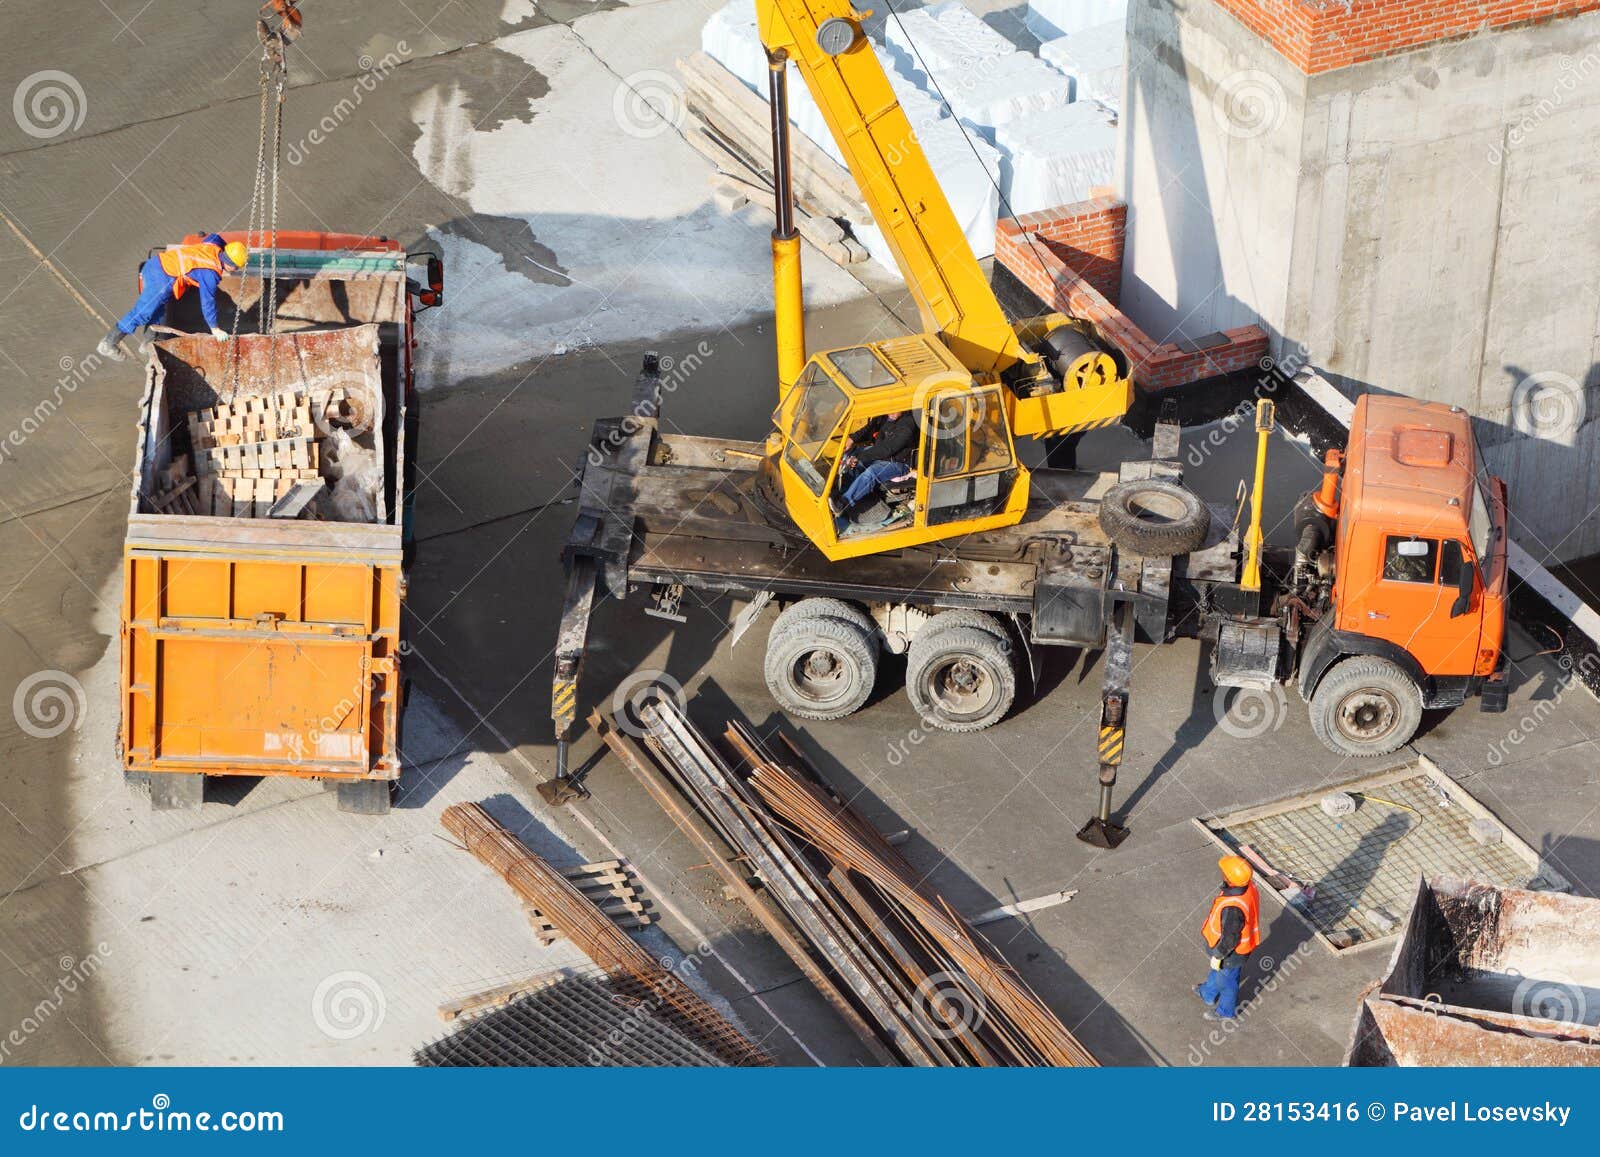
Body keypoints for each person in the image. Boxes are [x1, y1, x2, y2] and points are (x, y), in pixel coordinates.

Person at [97, 235, 249, 361]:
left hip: (157, 263)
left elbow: (214, 237)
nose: (236, 270)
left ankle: (148, 344)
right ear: (230, 264)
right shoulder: (210, 273)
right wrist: (215, 328)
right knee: (143, 313)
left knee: (159, 309)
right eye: (236, 267)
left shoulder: (213, 246)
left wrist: (229, 248)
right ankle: (108, 343)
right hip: (162, 276)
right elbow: (207, 302)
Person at [1194, 855, 1261, 1021]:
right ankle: (1207, 993)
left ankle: (1225, 1012)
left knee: (1227, 982)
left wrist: (1219, 955)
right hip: (1230, 950)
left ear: (1229, 878)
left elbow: (1230, 938)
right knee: (1218, 972)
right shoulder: (1248, 887)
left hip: (1231, 953)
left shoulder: (1233, 907)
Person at [830, 410, 917, 525]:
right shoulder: (887, 416)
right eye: (889, 410)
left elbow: (888, 448)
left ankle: (843, 504)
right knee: (852, 453)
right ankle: (848, 488)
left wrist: (859, 457)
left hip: (898, 462)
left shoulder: (908, 423)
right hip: (882, 455)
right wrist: (852, 439)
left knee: (872, 472)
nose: (890, 413)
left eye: (894, 410)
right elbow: (870, 427)